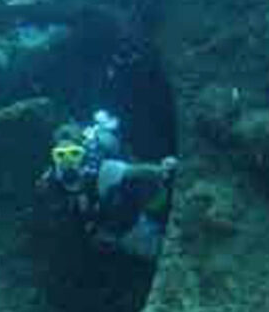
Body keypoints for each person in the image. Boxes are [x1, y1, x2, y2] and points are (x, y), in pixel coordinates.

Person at [39, 110, 177, 261]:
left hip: (128, 227)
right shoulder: (51, 183)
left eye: (74, 154)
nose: (67, 162)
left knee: (158, 250)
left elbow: (136, 171)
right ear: (53, 158)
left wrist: (162, 171)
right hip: (98, 235)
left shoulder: (104, 170)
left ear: (84, 155)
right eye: (60, 155)